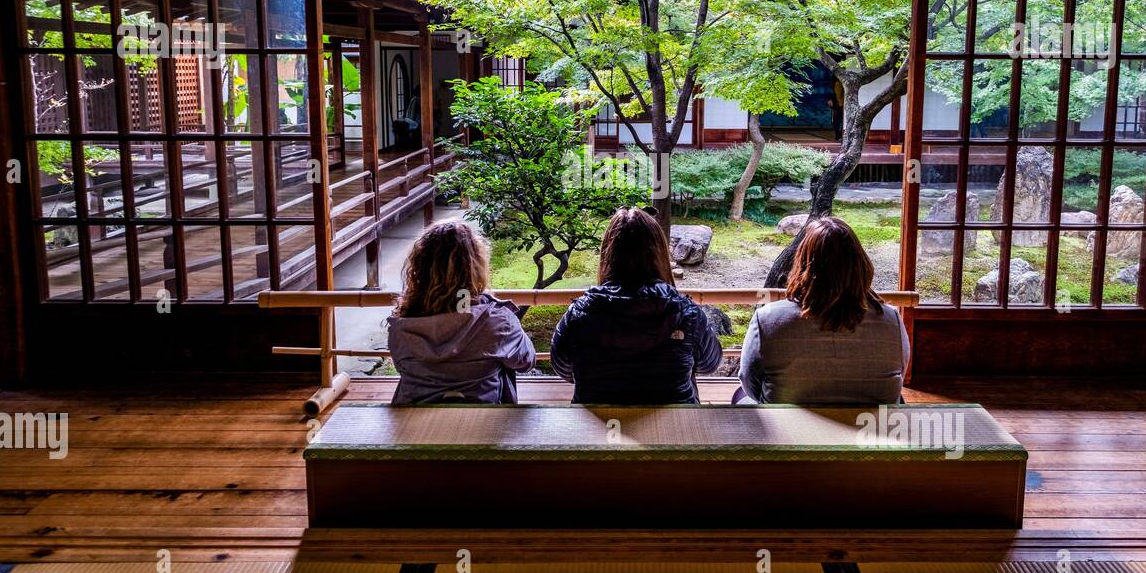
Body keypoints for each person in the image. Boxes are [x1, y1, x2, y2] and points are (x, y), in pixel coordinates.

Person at [550, 207, 723, 404]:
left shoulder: (580, 313)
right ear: (659, 253)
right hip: (674, 429)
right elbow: (710, 364)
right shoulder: (686, 313)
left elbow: (562, 367)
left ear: (608, 253)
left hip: (600, 429)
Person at [738, 216, 908, 404]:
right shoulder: (891, 319)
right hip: (868, 430)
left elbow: (749, 381)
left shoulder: (768, 319)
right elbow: (899, 374)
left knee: (742, 397)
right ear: (860, 264)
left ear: (802, 263)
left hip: (791, 431)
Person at [387, 221, 535, 404]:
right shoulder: (497, 321)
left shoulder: (401, 327)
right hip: (485, 423)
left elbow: (401, 366)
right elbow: (526, 362)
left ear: (419, 269)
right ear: (476, 267)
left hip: (415, 422)